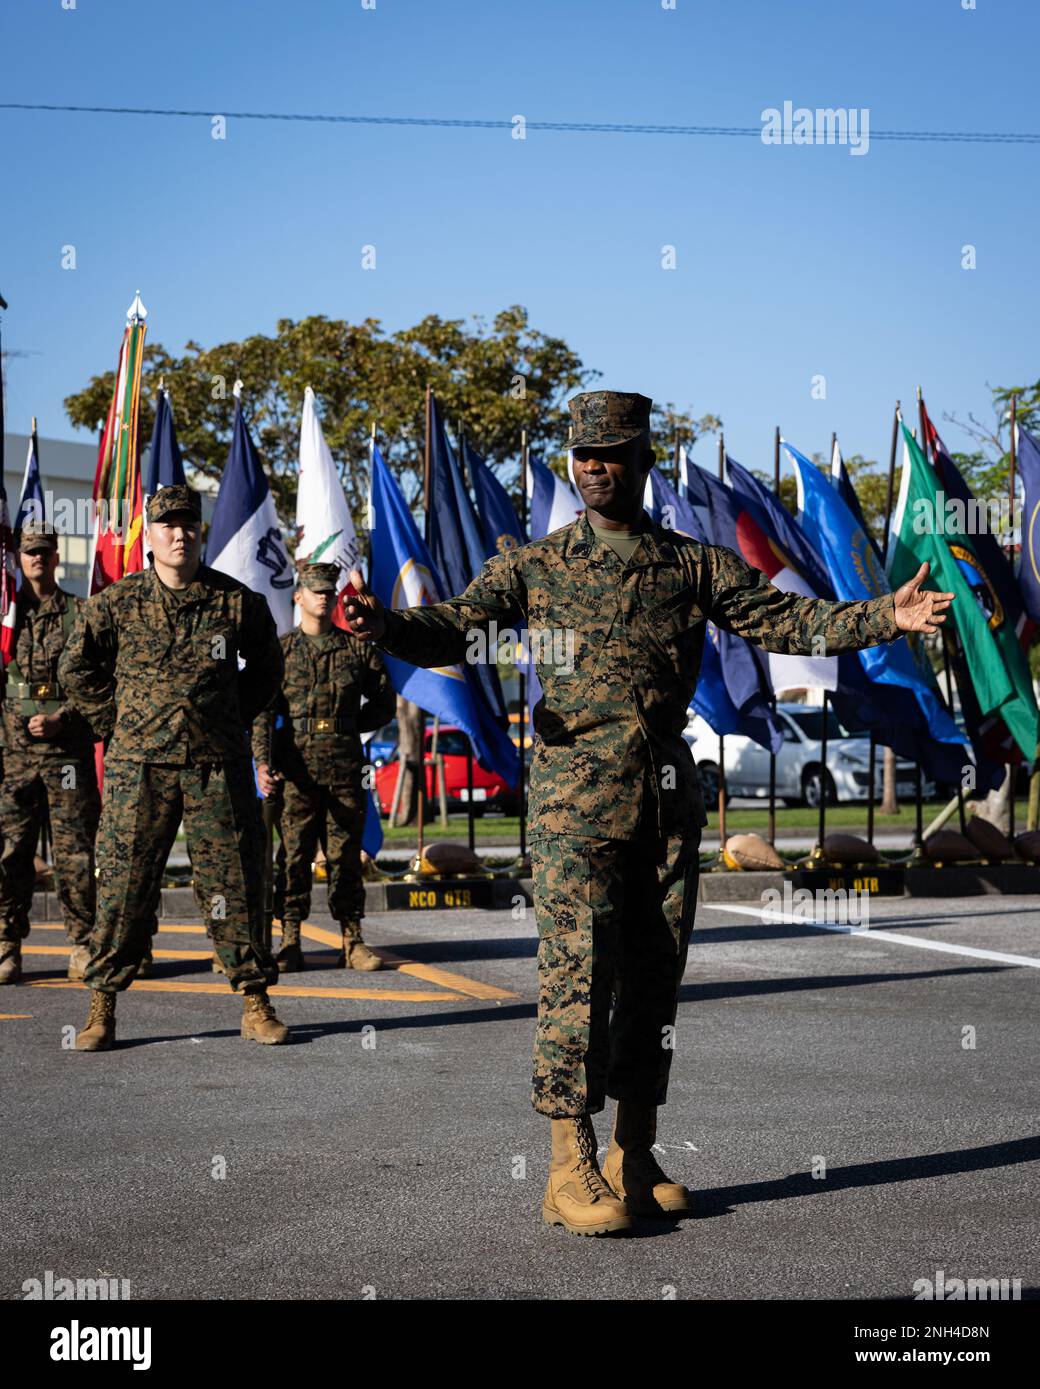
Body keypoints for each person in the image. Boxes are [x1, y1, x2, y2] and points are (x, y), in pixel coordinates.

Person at [344, 389, 955, 1236]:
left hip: (665, 803)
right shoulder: (536, 564)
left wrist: (887, 614)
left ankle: (637, 1151)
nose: (597, 467)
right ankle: (569, 1166)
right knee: (576, 976)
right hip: (572, 807)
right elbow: (455, 626)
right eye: (584, 455)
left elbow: (789, 620)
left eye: (613, 455)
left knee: (653, 977)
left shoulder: (691, 564)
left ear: (641, 462)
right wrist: (385, 624)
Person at [58, 484, 290, 1050]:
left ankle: (255, 1000)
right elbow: (75, 668)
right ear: (150, 537)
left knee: (233, 881)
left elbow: (268, 665)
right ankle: (102, 1006)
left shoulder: (236, 602)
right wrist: (113, 718)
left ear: (200, 532)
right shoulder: (116, 603)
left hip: (217, 765)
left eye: (188, 524)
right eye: (167, 525)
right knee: (122, 886)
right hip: (139, 768)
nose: (179, 533)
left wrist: (232, 712)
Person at [253, 561, 396, 972]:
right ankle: (290, 940)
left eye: (329, 592)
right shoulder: (282, 652)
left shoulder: (356, 648)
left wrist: (349, 727)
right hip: (294, 771)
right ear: (298, 597)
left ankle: (352, 941)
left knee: (345, 856)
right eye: (315, 591)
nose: (324, 597)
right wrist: (263, 761)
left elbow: (385, 704)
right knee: (294, 857)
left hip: (344, 769)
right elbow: (263, 712)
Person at [0, 523, 99, 986]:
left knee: (75, 853)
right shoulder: (6, 616)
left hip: (67, 757)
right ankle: (6, 945)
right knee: (11, 854)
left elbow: (101, 685)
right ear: (18, 558)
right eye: (29, 552)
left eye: (44, 551)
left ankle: (82, 944)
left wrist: (66, 718)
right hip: (15, 758)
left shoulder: (81, 615)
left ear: (57, 556)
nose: (37, 558)